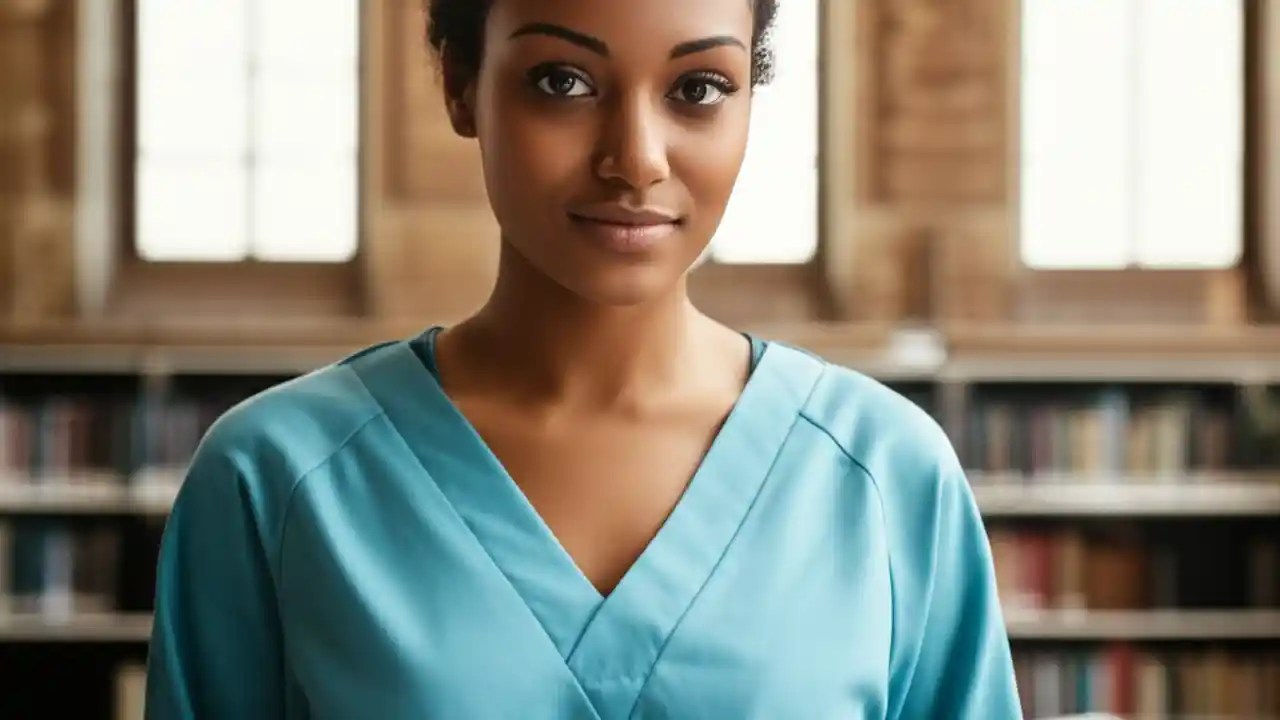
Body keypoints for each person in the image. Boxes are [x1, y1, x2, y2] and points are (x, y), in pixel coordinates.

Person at [144, 0, 1022, 717]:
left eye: (699, 88)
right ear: (459, 85)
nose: (634, 160)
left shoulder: (883, 476)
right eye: (562, 82)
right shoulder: (272, 478)